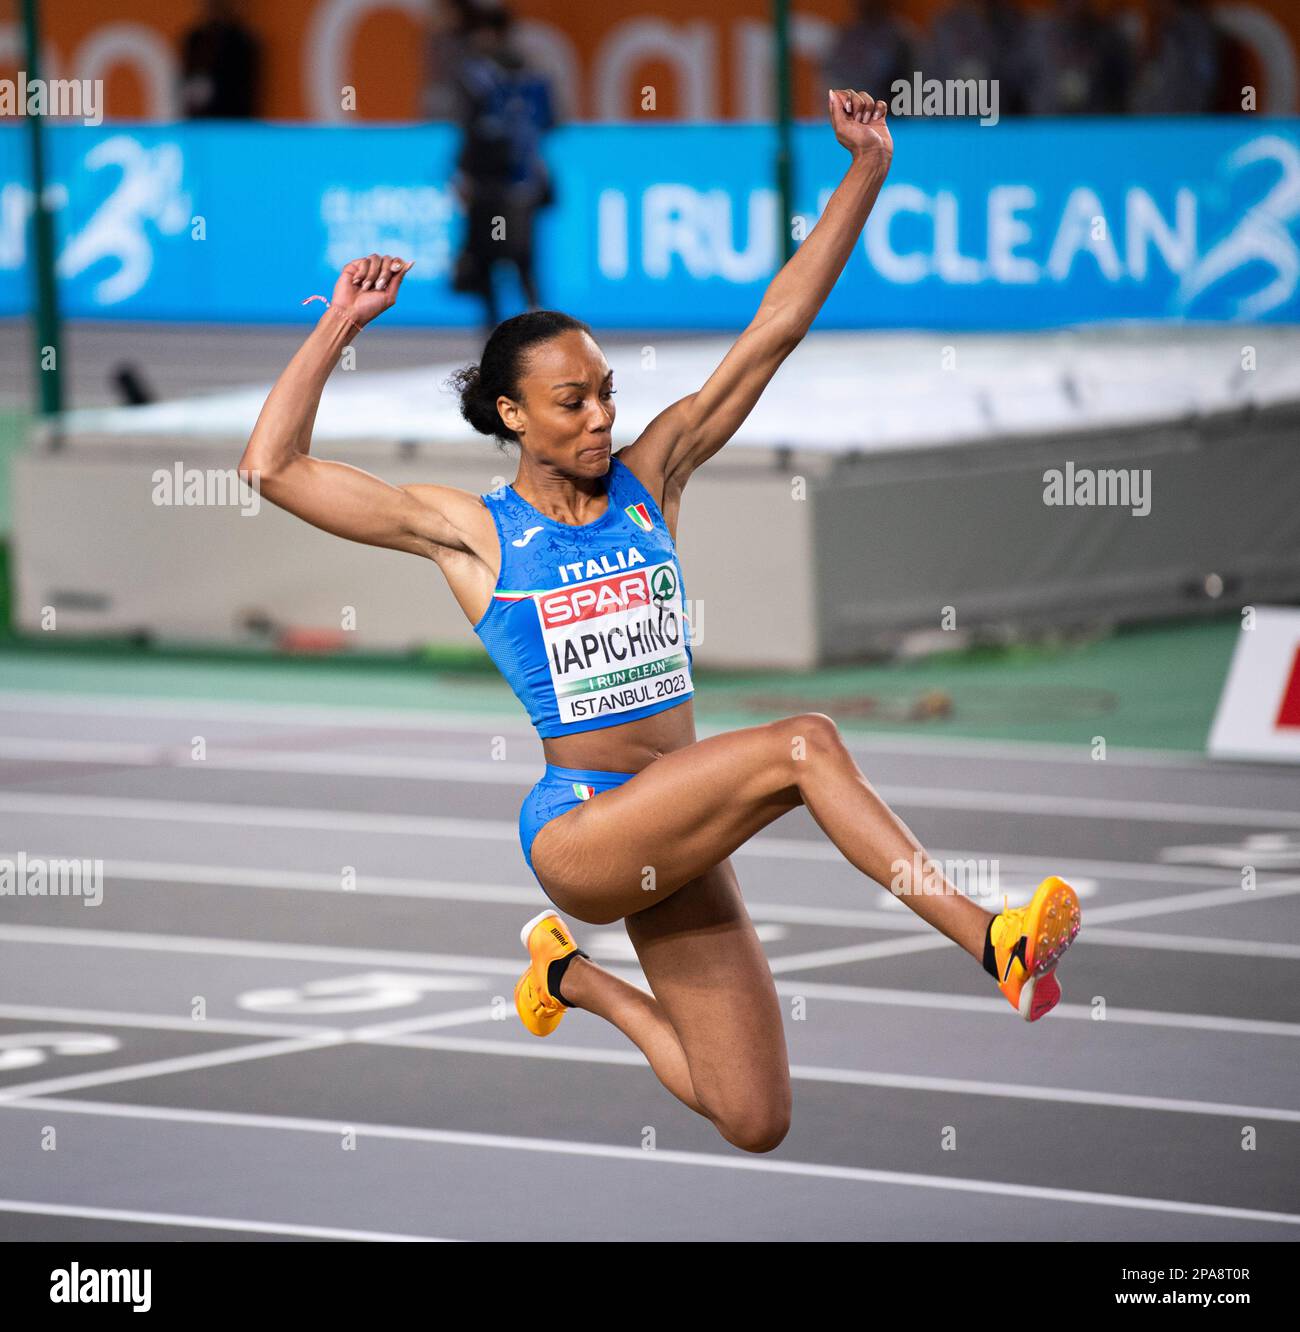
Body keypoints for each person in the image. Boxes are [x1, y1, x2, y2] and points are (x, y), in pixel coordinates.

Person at [239, 89, 1081, 1155]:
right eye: (569, 402)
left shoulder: (653, 477)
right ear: (511, 415)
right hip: (587, 829)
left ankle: (569, 976)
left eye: (604, 392)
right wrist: (336, 327)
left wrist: (865, 171)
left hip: (671, 830)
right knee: (803, 743)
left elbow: (772, 331)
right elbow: (272, 468)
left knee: (754, 1117)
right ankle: (992, 940)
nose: (601, 417)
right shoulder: (471, 536)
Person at [449, 5, 555, 332]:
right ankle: (538, 330)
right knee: (522, 261)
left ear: (489, 34)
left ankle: (494, 335)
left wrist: (462, 175)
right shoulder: (534, 78)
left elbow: (469, 130)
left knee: (488, 262)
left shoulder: (475, 78)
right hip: (523, 185)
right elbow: (551, 122)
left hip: (488, 186)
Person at [179, 0, 260, 120]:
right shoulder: (194, 39)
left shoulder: (242, 42)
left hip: (232, 120)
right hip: (197, 121)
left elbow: (246, 89)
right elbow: (185, 75)